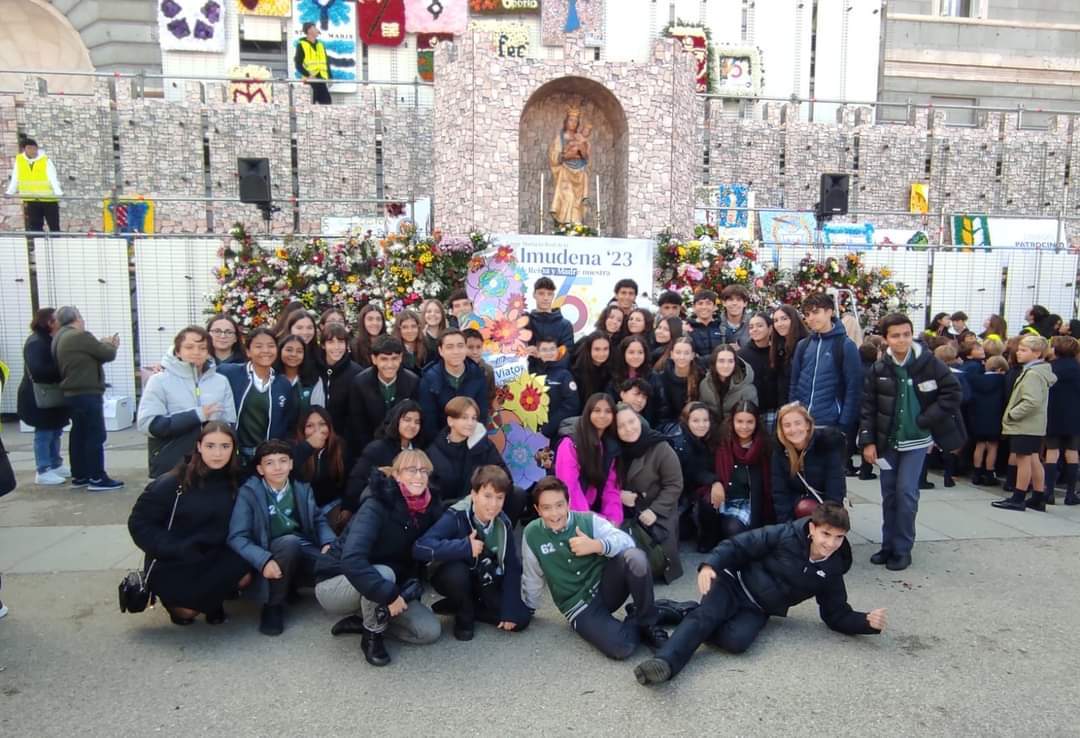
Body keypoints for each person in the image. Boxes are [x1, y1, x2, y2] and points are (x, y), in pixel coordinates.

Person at [633, 502, 886, 685]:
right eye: (825, 534)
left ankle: (682, 610)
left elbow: (835, 613)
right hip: (732, 581)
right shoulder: (785, 535)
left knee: (737, 643)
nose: (830, 543)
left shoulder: (833, 567)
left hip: (759, 608)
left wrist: (864, 622)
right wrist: (710, 565)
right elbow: (738, 545)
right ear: (812, 528)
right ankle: (665, 663)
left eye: (839, 538)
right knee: (706, 618)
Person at [314, 450, 443, 666]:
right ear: (397, 475)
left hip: (383, 583)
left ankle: (363, 618)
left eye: (424, 471)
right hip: (335, 583)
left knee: (429, 631)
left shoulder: (427, 509)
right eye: (411, 470)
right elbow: (352, 561)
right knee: (383, 572)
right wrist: (391, 596)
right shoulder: (376, 505)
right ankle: (372, 635)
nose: (419, 476)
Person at [858, 314, 964, 571]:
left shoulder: (930, 364)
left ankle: (903, 548)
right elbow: (868, 408)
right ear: (886, 339)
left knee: (906, 493)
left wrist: (926, 418)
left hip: (916, 442)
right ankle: (888, 545)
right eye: (895, 335)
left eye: (906, 334)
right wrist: (868, 442)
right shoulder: (879, 368)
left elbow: (953, 393)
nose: (901, 339)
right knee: (889, 495)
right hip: (887, 444)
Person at [522, 477, 669, 660]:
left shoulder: (587, 520)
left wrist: (596, 545)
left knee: (635, 558)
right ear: (537, 510)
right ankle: (644, 613)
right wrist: (528, 609)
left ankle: (649, 622)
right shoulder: (531, 534)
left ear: (568, 503)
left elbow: (627, 542)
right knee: (621, 648)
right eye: (546, 507)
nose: (554, 513)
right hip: (578, 606)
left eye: (559, 505)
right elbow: (532, 576)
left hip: (606, 586)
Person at [128, 422, 251, 626]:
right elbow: (139, 523)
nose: (218, 453)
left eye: (225, 446)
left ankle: (215, 602)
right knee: (186, 614)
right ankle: (179, 606)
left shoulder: (239, 480)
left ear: (234, 449)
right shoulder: (173, 482)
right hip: (177, 556)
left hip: (218, 555)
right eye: (210, 446)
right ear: (199, 446)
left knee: (245, 573)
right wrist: (172, 547)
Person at [228, 439, 335, 636]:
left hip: (301, 546)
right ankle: (272, 605)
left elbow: (318, 519)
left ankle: (293, 583)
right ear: (260, 469)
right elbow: (237, 536)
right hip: (271, 550)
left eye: (283, 461)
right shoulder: (249, 493)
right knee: (289, 543)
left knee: (336, 563)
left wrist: (328, 541)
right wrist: (263, 560)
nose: (277, 467)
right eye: (270, 463)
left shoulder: (301, 489)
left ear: (291, 464)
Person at [415, 465, 531, 641]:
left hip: (485, 577)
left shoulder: (503, 522)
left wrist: (508, 611)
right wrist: (464, 547)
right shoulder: (455, 515)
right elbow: (420, 547)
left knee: (521, 618)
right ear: (474, 494)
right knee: (457, 573)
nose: (493, 504)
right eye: (487, 496)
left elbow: (512, 566)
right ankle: (464, 612)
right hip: (453, 575)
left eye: (499, 498)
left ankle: (463, 607)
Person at [137, 326, 236, 478]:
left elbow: (229, 422)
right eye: (189, 347)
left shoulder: (221, 381)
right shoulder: (159, 380)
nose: (196, 352)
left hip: (212, 463)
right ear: (178, 351)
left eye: (202, 348)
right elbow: (148, 424)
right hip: (172, 463)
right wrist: (197, 415)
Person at [52, 305, 123, 491]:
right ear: (76, 318)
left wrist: (100, 344)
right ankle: (97, 477)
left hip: (71, 393)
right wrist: (110, 344)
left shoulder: (59, 337)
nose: (83, 321)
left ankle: (80, 475)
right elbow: (106, 354)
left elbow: (86, 356)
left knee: (79, 435)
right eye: (81, 317)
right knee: (95, 434)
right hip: (87, 392)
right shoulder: (79, 336)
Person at [614, 404, 684, 583]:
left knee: (653, 565)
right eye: (621, 426)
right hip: (623, 511)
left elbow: (674, 485)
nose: (628, 429)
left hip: (656, 511)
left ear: (639, 420)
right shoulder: (614, 450)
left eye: (631, 421)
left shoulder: (660, 447)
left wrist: (655, 510)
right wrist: (618, 495)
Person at [217, 328, 298, 470]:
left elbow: (289, 422)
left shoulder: (283, 384)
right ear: (248, 352)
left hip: (267, 456)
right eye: (258, 346)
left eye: (271, 346)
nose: (266, 350)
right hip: (235, 453)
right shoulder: (229, 373)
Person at [992, 335, 1056, 511]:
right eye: (1019, 349)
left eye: (1023, 350)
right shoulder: (1037, 371)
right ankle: (1037, 497)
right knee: (1034, 459)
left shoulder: (1033, 373)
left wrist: (1013, 414)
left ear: (1037, 353)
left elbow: (1031, 401)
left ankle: (1018, 497)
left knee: (1023, 460)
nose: (1018, 353)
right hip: (1033, 425)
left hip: (1025, 424)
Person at [699, 401, 772, 551]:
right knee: (707, 502)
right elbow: (701, 469)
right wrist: (715, 481)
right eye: (739, 421)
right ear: (732, 421)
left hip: (746, 502)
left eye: (749, 422)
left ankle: (727, 532)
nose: (744, 427)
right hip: (723, 496)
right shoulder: (721, 441)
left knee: (733, 530)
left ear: (756, 423)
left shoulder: (763, 447)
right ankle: (709, 536)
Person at [789, 293, 863, 435]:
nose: (811, 318)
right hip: (802, 425)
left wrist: (844, 425)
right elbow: (794, 384)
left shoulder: (845, 345)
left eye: (816, 312)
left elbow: (854, 389)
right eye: (807, 314)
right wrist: (794, 414)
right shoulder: (803, 345)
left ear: (829, 312)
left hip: (831, 425)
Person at [17, 308, 70, 485]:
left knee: (55, 430)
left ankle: (55, 463)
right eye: (57, 320)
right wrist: (63, 370)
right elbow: (39, 371)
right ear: (49, 322)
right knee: (44, 433)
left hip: (51, 396)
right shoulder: (36, 342)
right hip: (38, 397)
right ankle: (43, 469)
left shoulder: (49, 340)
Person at [427, 397, 512, 507]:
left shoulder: (484, 445)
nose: (470, 423)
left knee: (517, 495)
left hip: (480, 505)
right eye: (464, 418)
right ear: (450, 421)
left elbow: (505, 478)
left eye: (474, 418)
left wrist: (475, 450)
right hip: (447, 510)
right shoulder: (434, 452)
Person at [346, 336, 419, 459]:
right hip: (370, 447)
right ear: (374, 359)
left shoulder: (412, 381)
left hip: (403, 449)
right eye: (384, 359)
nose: (390, 365)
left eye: (394, 359)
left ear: (401, 358)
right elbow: (358, 424)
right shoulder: (360, 383)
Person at [344, 400, 422, 514]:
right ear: (396, 420)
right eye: (407, 420)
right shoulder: (377, 448)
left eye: (417, 422)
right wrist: (348, 509)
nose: (412, 425)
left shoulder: (420, 450)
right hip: (380, 509)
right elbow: (357, 480)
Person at [771, 402, 846, 522]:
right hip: (796, 503)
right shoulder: (779, 452)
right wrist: (787, 527)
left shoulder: (827, 445)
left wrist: (830, 522)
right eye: (787, 425)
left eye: (798, 423)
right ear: (782, 429)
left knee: (808, 508)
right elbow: (780, 493)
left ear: (807, 425)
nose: (793, 429)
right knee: (802, 507)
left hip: (821, 503)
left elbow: (836, 488)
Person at [556, 393, 623, 523]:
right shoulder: (570, 443)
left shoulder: (610, 446)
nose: (602, 415)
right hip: (568, 513)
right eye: (597, 410)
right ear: (588, 413)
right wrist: (588, 519)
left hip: (594, 513)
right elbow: (569, 487)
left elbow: (611, 488)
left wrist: (613, 520)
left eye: (608, 411)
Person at [418, 329, 489, 445]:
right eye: (450, 347)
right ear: (441, 351)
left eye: (460, 346)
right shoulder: (429, 379)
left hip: (472, 441)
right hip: (440, 444)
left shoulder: (478, 375)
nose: (456, 351)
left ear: (466, 348)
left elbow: (482, 415)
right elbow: (429, 423)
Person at [292, 406, 350, 534]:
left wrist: (346, 507)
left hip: (332, 505)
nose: (317, 430)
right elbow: (289, 470)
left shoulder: (340, 447)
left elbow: (349, 481)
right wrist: (308, 446)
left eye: (322, 424)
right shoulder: (295, 449)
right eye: (310, 426)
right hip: (303, 510)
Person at [1045, 336, 1080, 506]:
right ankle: (1070, 494)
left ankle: (1048, 492)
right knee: (1072, 453)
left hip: (1052, 413)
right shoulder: (1078, 368)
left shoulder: (1050, 368)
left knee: (1052, 452)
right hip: (1074, 415)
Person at [312, 323, 362, 440]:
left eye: (340, 342)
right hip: (315, 434)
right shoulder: (313, 368)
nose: (336, 347)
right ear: (323, 345)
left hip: (344, 438)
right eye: (331, 342)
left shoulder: (356, 373)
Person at [966, 355, 1008, 487]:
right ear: (1001, 369)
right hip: (995, 417)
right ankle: (990, 473)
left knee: (980, 445)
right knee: (992, 446)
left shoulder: (976, 379)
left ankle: (976, 473)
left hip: (978, 416)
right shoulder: (1002, 380)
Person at [608, 336, 669, 425]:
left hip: (647, 426)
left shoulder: (653, 377)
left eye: (640, 352)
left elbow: (661, 408)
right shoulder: (614, 377)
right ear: (623, 353)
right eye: (631, 352)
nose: (636, 356)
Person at [528, 336, 580, 441]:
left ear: (557, 351)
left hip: (555, 433)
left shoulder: (564, 375)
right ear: (538, 353)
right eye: (544, 350)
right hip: (532, 433)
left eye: (552, 349)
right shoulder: (531, 373)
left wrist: (549, 427)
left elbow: (572, 405)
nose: (549, 353)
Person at [6, 138, 63, 232]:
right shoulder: (20, 160)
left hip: (48, 198)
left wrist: (58, 192)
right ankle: (39, 245)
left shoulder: (44, 160)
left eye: (34, 148)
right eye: (29, 148)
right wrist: (10, 191)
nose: (33, 151)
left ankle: (56, 245)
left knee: (54, 225)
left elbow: (53, 177)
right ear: (24, 149)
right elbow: (15, 177)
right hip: (31, 198)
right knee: (35, 226)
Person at [738, 312, 777, 427]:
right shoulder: (742, 355)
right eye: (751, 327)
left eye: (759, 326)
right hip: (751, 411)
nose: (754, 330)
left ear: (770, 329)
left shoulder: (777, 352)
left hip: (775, 410)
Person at [700, 345, 758, 421]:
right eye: (721, 361)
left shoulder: (747, 389)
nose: (726, 365)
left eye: (730, 361)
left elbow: (750, 420)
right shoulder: (704, 384)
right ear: (714, 363)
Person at [526, 277, 575, 363]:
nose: (545, 298)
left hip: (556, 374)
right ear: (534, 295)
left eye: (549, 294)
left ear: (553, 296)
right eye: (541, 293)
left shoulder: (565, 325)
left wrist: (542, 353)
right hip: (527, 374)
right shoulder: (525, 321)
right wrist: (525, 350)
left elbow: (568, 353)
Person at [770, 305, 809, 411]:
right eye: (776, 320)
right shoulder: (778, 347)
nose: (779, 324)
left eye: (784, 319)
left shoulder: (805, 345)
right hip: (784, 407)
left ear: (794, 320)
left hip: (801, 407)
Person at [656, 336, 699, 417]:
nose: (682, 357)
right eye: (678, 352)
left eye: (686, 353)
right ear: (672, 354)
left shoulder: (700, 377)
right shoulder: (662, 378)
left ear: (692, 355)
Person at [274, 334, 315, 413]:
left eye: (299, 351)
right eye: (289, 350)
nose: (293, 354)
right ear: (280, 351)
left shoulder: (312, 382)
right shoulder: (270, 379)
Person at [295, 21, 332, 105]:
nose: (317, 30)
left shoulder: (320, 45)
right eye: (315, 28)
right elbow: (298, 64)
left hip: (321, 79)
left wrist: (329, 76)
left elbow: (326, 61)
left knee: (326, 103)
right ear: (309, 30)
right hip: (310, 80)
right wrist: (308, 74)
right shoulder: (301, 45)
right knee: (310, 104)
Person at [572, 331, 613, 405]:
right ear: (589, 349)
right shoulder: (577, 371)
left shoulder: (611, 369)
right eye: (597, 349)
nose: (602, 353)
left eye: (605, 349)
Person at [686, 289, 724, 365]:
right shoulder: (687, 330)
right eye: (700, 303)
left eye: (708, 303)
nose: (704, 307)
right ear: (694, 307)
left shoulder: (723, 328)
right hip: (696, 372)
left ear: (715, 307)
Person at [351, 304, 387, 369]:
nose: (375, 323)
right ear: (363, 322)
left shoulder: (389, 343)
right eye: (370, 319)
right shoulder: (355, 346)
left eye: (378, 319)